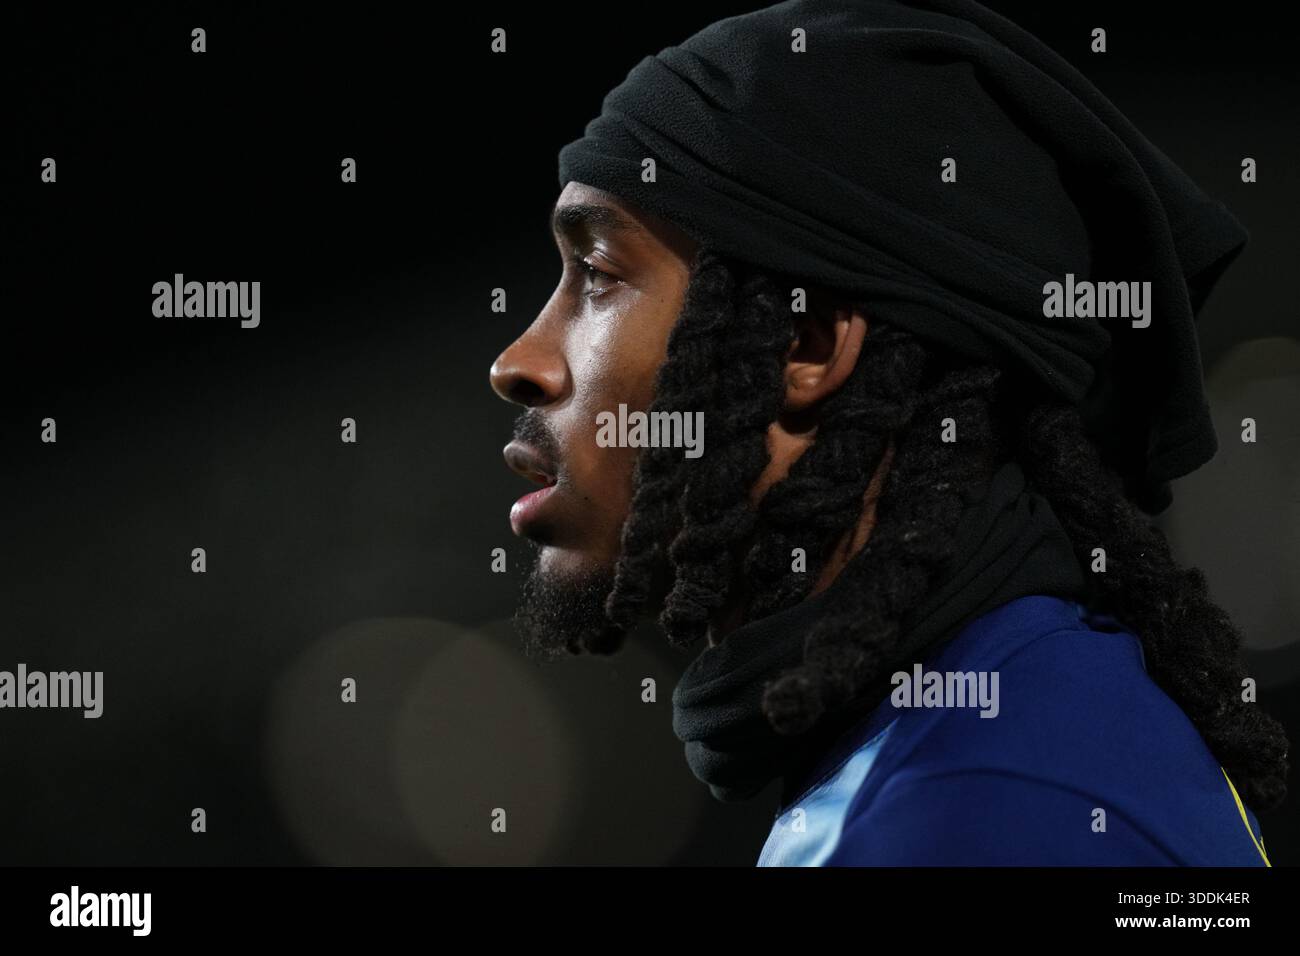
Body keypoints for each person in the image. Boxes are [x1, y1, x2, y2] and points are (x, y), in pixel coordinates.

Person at [488, 0, 1287, 865]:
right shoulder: (1004, 729)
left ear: (808, 344)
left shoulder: (970, 811)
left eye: (598, 274)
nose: (518, 362)